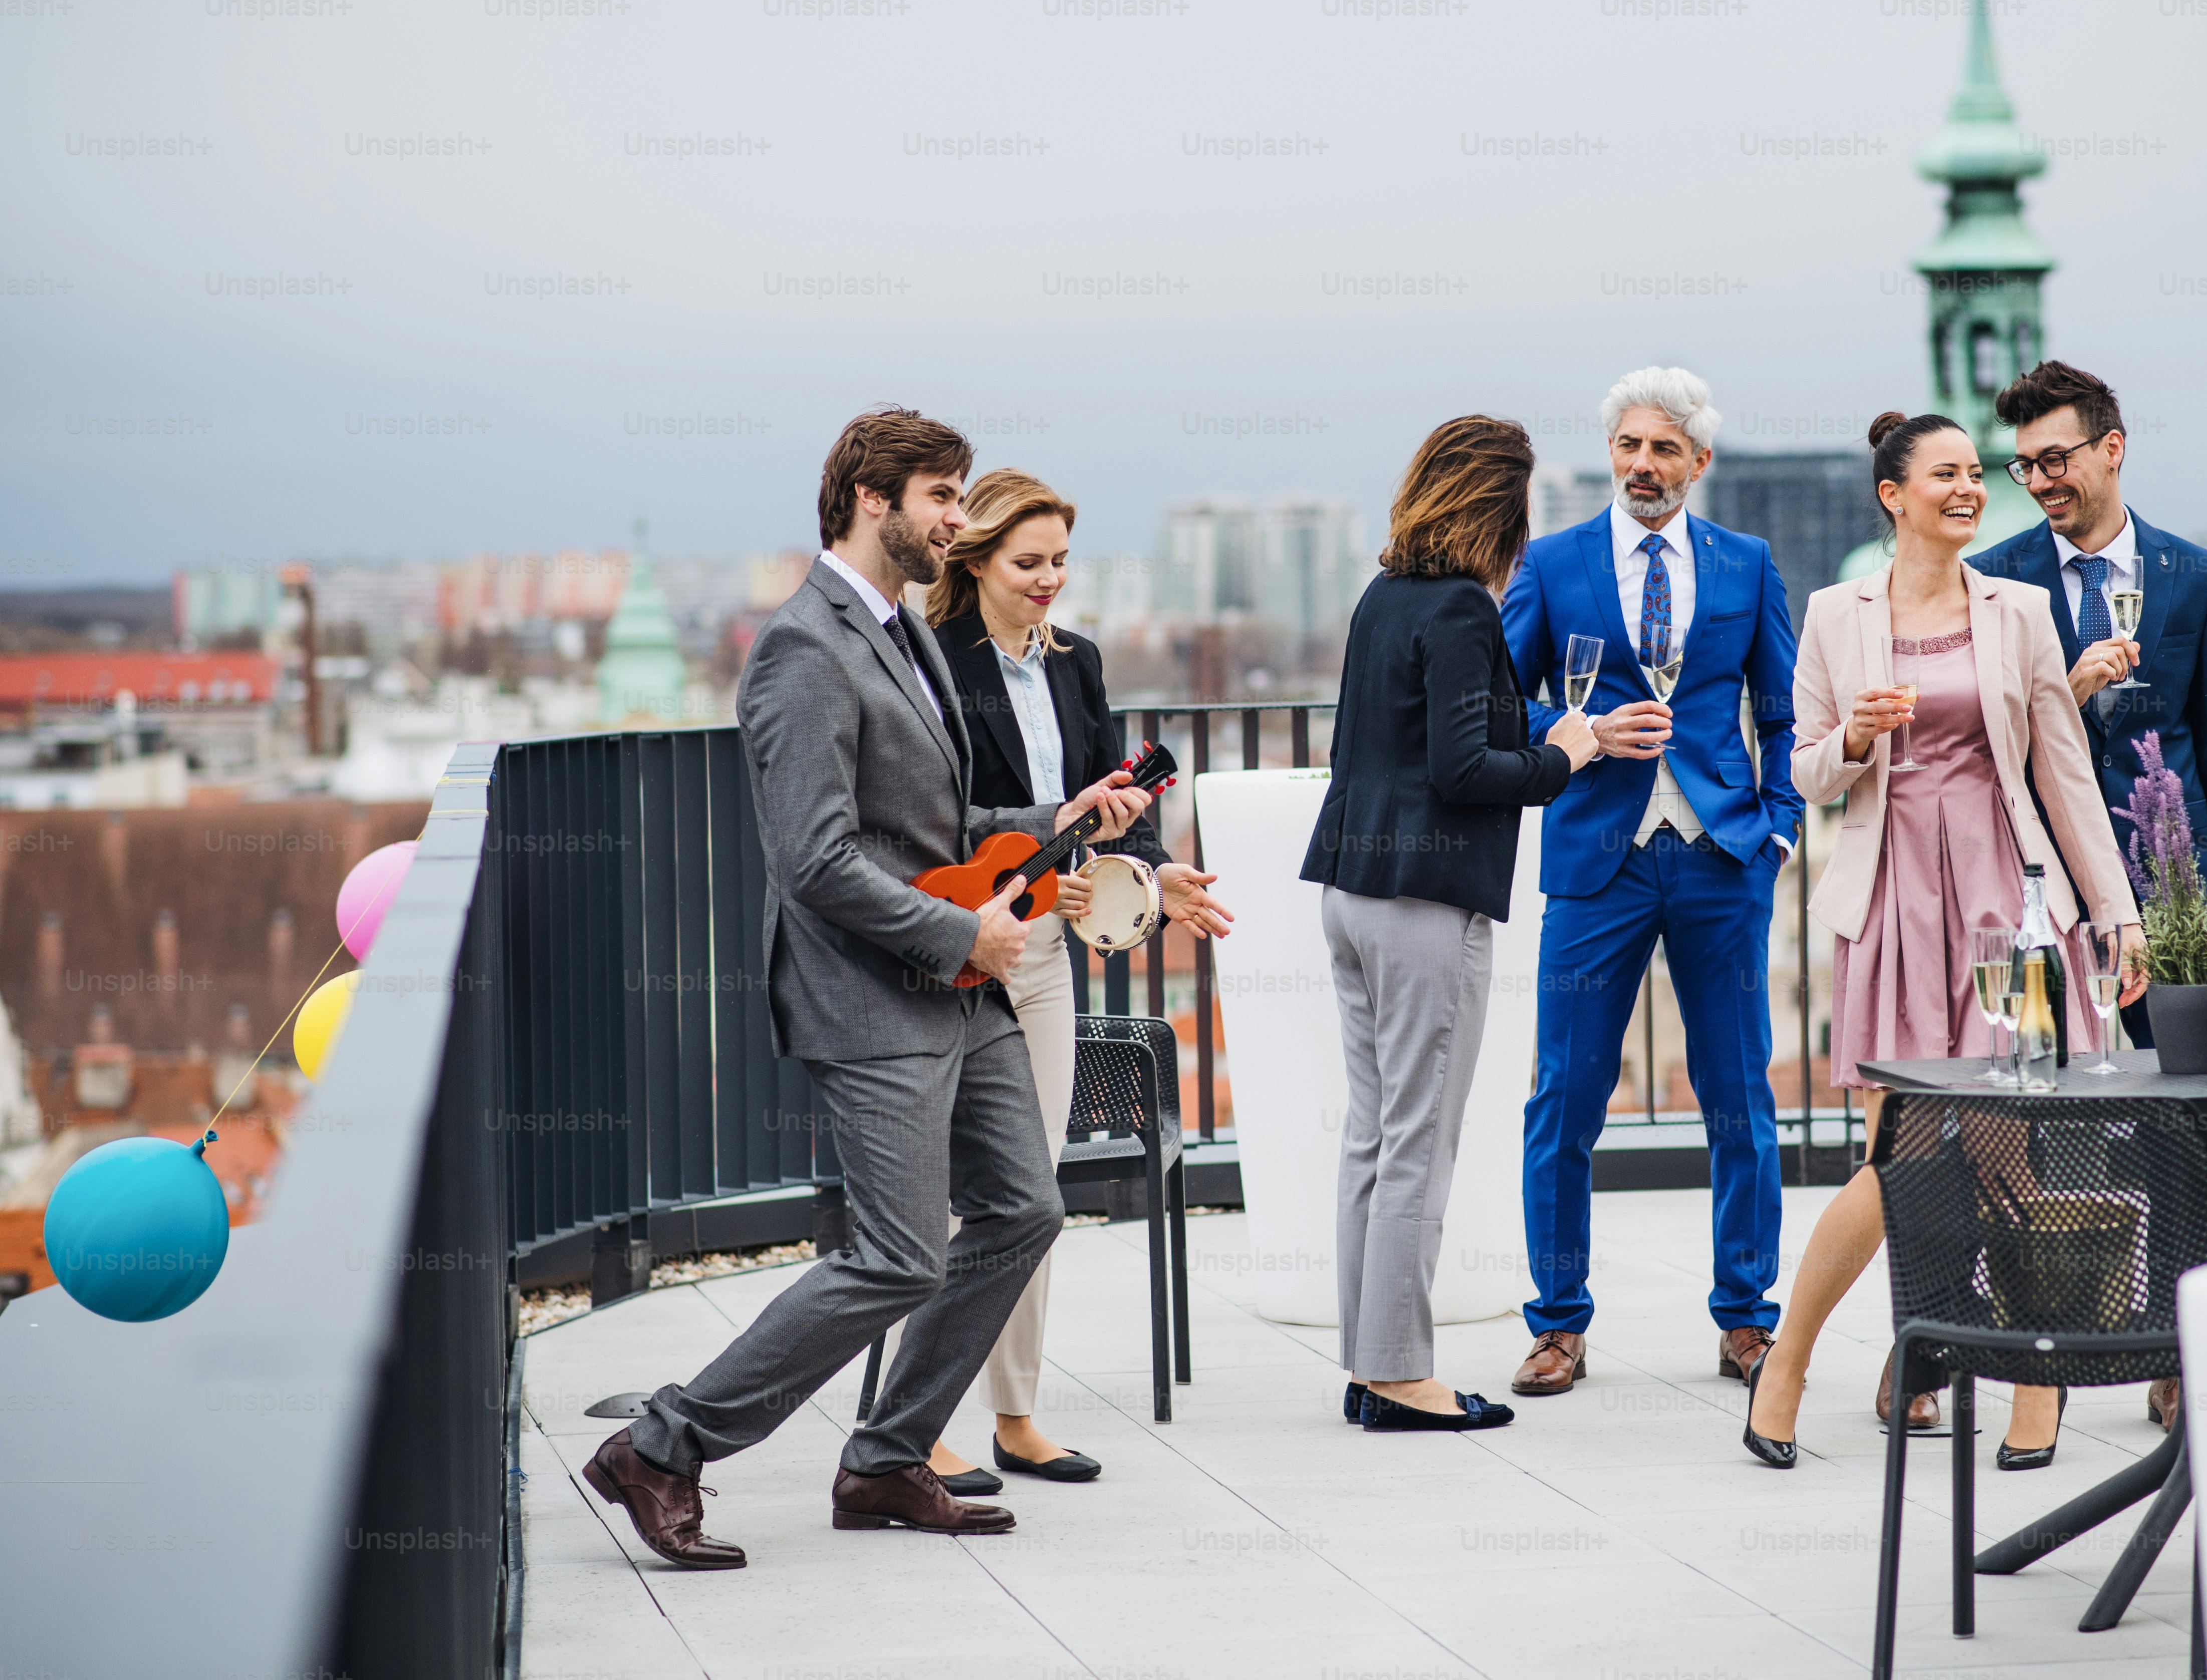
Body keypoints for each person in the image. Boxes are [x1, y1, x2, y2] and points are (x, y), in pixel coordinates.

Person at [582, 408, 1152, 1566]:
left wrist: (1061, 819)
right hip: (875, 991)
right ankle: (663, 1442)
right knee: (897, 1251)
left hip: (953, 976)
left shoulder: (903, 631)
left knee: (1025, 1207)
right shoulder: (802, 648)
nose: (957, 516)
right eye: (942, 497)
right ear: (870, 499)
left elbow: (929, 824)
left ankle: (889, 1455)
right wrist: (962, 937)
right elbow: (816, 860)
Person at [1740, 410, 2144, 1475]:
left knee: (2021, 1143)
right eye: (1948, 474)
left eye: (1980, 472)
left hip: (2012, 904)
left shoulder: (2019, 612)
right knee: (1901, 1157)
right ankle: (1790, 1361)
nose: (1971, 488)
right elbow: (1805, 771)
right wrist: (1858, 736)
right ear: (1894, 492)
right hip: (1893, 906)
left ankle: (2034, 1385)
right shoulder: (1833, 611)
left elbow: (2064, 772)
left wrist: (2118, 913)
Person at [918, 468, 1236, 1492]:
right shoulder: (928, 663)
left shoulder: (1076, 662)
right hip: (959, 949)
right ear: (974, 559)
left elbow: (1117, 802)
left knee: (1029, 1195)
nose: (1051, 578)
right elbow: (930, 821)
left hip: (1048, 957)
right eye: (1029, 561)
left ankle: (1016, 1413)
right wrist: (1046, 833)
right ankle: (917, 1427)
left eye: (1061, 559)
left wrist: (1149, 867)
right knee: (947, 1200)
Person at [1964, 359, 2207, 1436]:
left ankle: (2181, 1347)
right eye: (2024, 462)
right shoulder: (1992, 579)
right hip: (2045, 893)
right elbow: (1992, 750)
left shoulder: (2194, 572)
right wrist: (2070, 690)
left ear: (2112, 447)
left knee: (2183, 1130)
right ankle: (2036, 1360)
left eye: (2056, 457)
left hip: (2175, 898)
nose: (2038, 478)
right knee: (2031, 1118)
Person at [1497, 366, 1802, 1397]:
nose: (1643, 464)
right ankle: (1557, 1323)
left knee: (1739, 1098)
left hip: (1722, 858)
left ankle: (1748, 1317)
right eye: (1629, 445)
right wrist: (1576, 731)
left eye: (1664, 448)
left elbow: (1783, 710)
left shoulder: (1749, 564)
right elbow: (1502, 703)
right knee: (1564, 1098)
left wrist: (1780, 829)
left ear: (1699, 462)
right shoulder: (1555, 561)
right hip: (1598, 859)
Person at [1302, 415, 1596, 1432]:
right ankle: (1400, 1376)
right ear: (1503, 509)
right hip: (1426, 902)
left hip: (1348, 889)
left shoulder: (1383, 597)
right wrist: (1570, 750)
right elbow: (1465, 771)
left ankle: (1369, 1360)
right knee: (1418, 1142)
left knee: (1371, 1138)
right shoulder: (1467, 611)